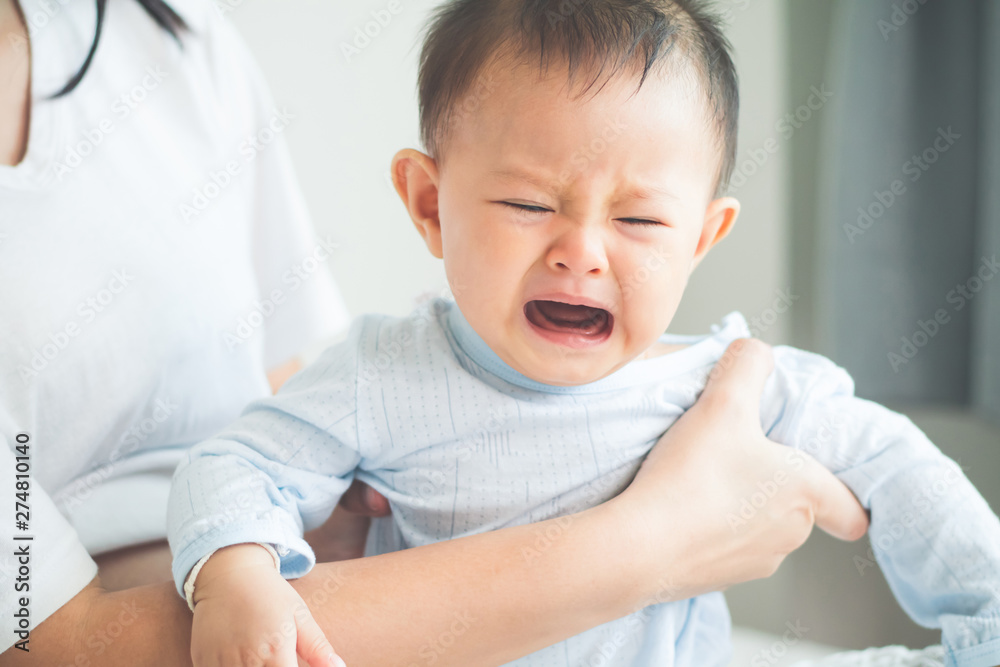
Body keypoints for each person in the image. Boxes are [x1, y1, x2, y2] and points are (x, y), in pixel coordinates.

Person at [0, 0, 869, 664]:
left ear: (704, 234)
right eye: (528, 205)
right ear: (428, 204)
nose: (582, 253)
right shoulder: (390, 365)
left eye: (641, 220)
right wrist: (654, 543)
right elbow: (50, 641)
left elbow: (293, 395)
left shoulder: (176, 46)